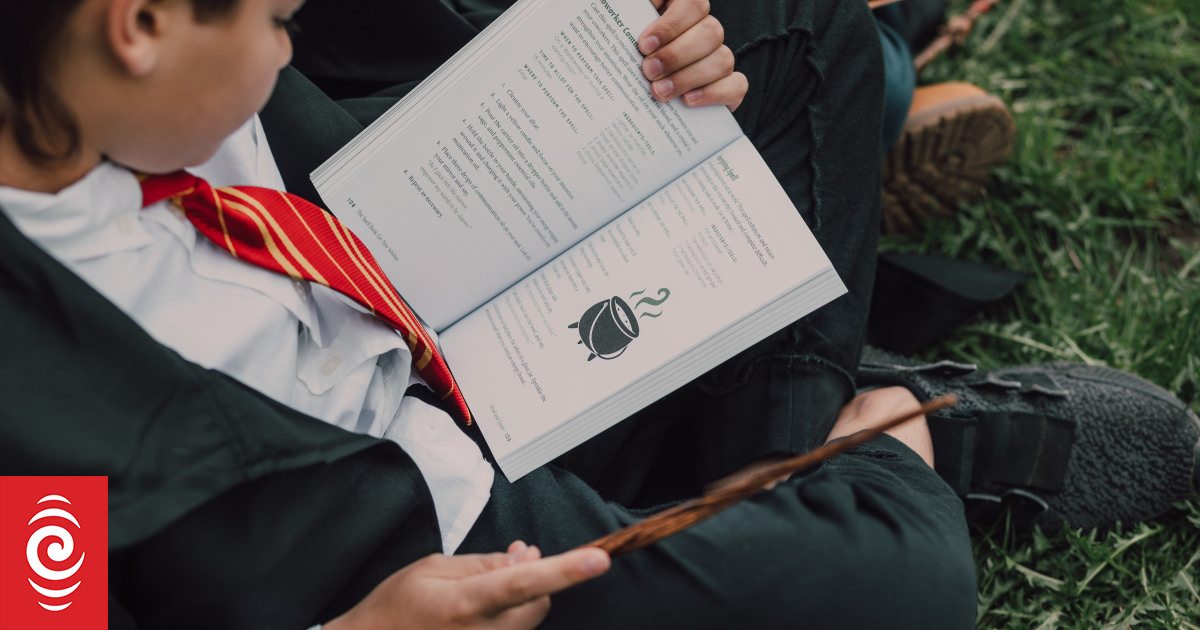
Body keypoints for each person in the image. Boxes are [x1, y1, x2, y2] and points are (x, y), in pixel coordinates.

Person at [0, 1, 1194, 629]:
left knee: (793, 31)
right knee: (908, 583)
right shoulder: (36, 427)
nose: (287, 45)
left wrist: (665, 68)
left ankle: (775, 458)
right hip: (433, 535)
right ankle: (889, 436)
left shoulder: (101, 94)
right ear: (140, 25)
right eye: (272, 21)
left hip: (414, 282)